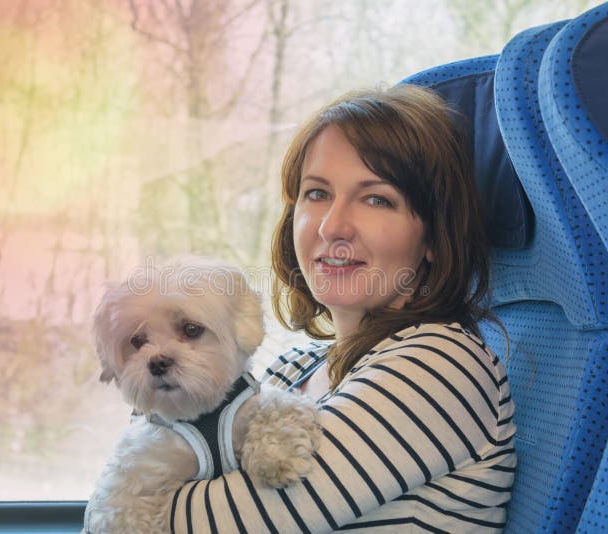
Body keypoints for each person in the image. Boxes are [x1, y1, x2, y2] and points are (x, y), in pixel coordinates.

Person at [168, 84, 516, 533]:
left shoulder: (440, 364)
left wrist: (129, 491)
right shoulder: (294, 369)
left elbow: (195, 523)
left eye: (376, 199)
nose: (333, 225)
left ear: (432, 236)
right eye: (317, 193)